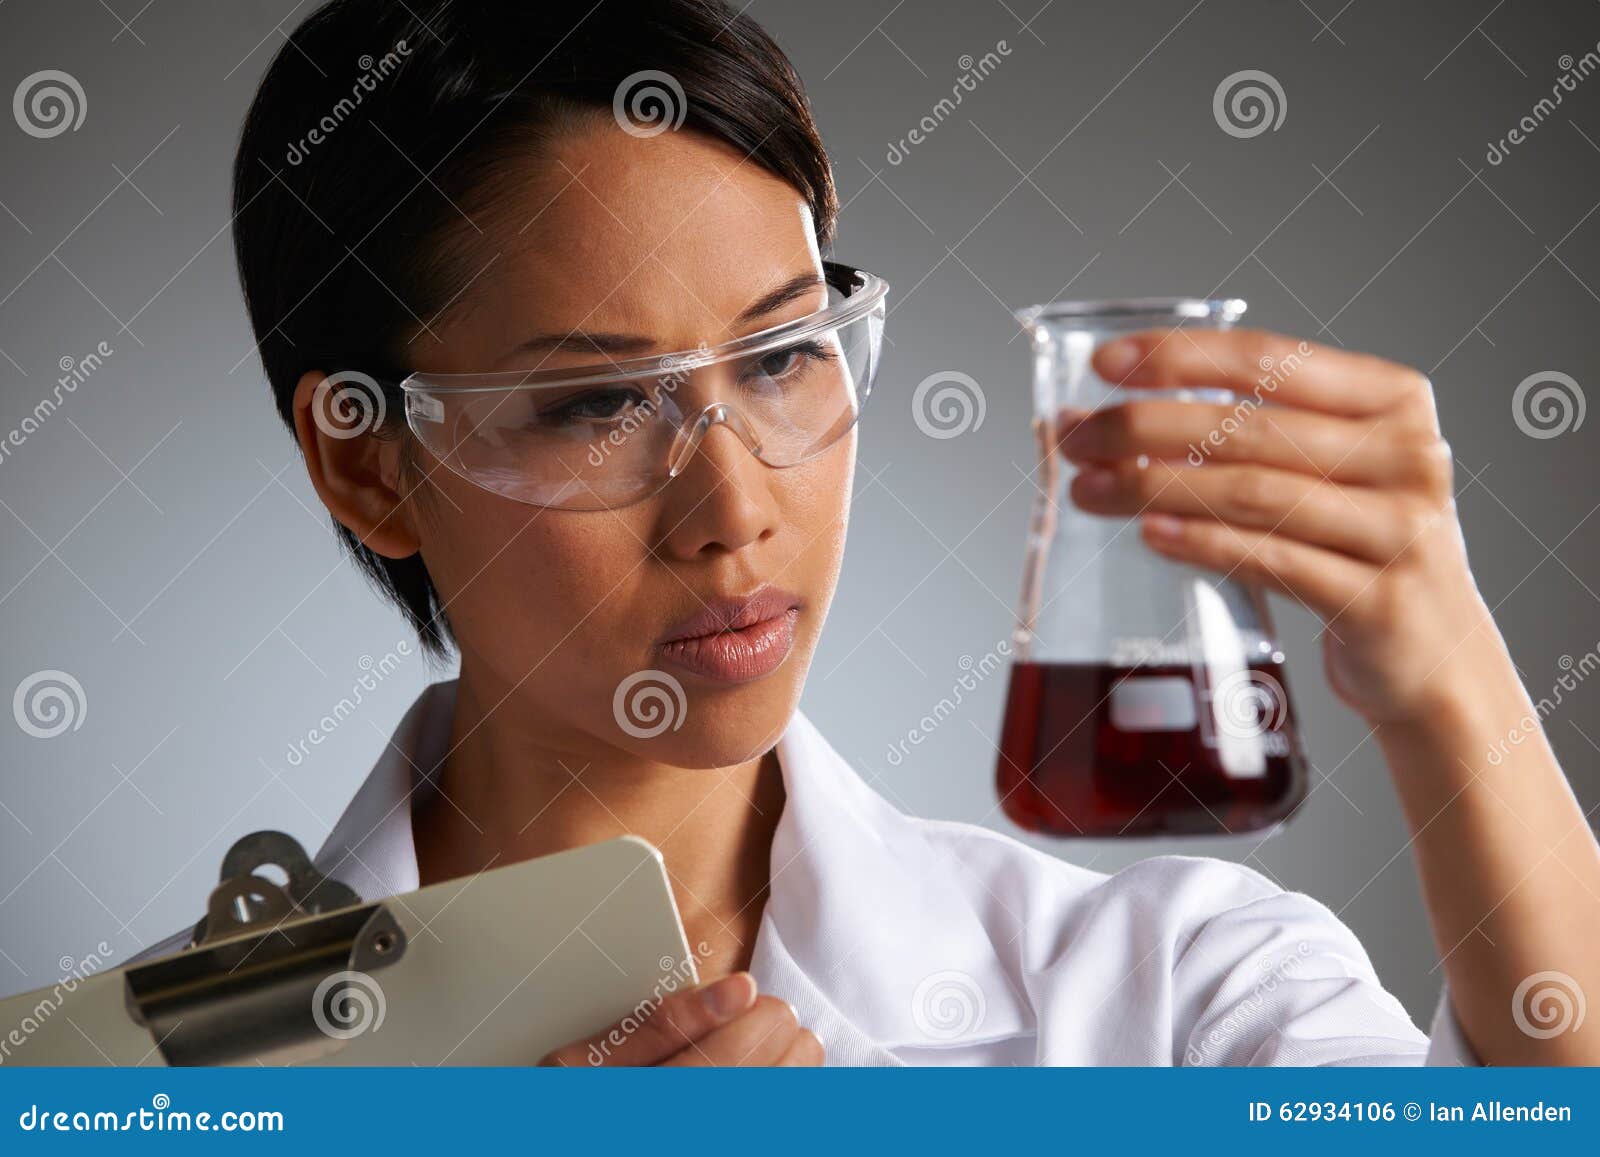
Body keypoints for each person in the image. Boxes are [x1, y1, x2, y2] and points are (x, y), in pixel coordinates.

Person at [138, 0, 1598, 1066]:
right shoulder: (152, 1078)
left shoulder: (1172, 995)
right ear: (370, 465)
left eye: (783, 356)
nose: (736, 510)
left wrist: (1449, 672)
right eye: (595, 402)